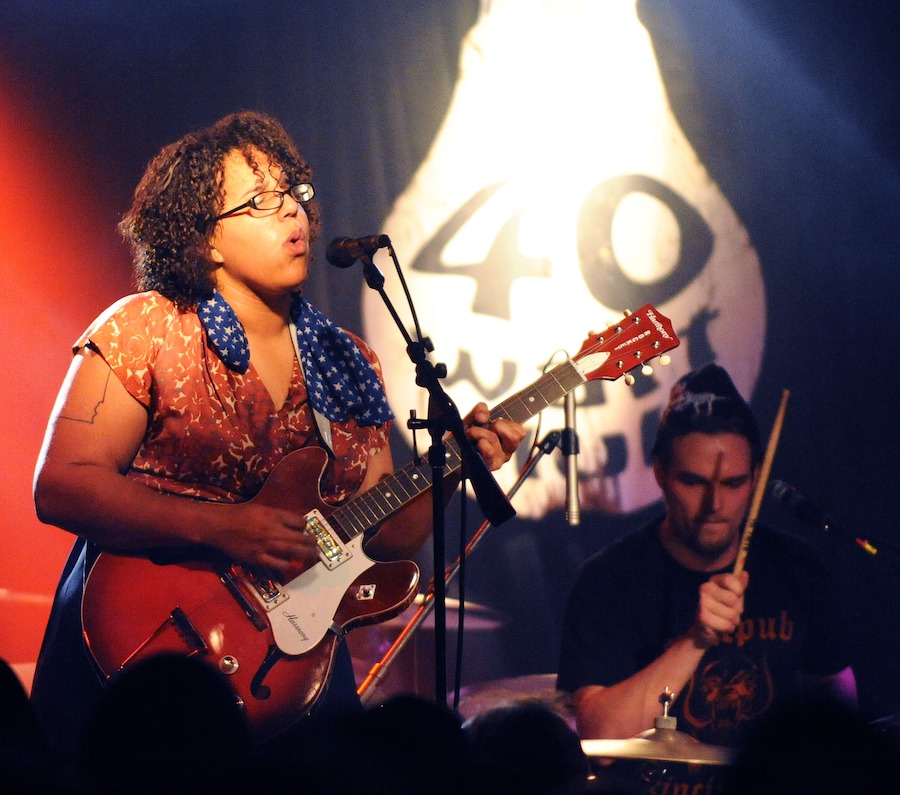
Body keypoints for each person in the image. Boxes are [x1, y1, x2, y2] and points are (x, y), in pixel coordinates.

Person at [30, 110, 526, 763]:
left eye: (293, 191)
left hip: (297, 670)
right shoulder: (144, 328)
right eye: (262, 200)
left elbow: (384, 531)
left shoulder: (349, 360)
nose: (292, 211)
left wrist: (452, 467)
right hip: (142, 646)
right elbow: (61, 485)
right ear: (204, 238)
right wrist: (224, 526)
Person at [557, 363, 855, 786]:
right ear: (660, 474)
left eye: (733, 483)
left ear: (756, 477)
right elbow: (601, 740)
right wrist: (696, 639)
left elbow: (837, 700)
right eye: (693, 482)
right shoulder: (609, 580)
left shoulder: (798, 567)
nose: (714, 503)